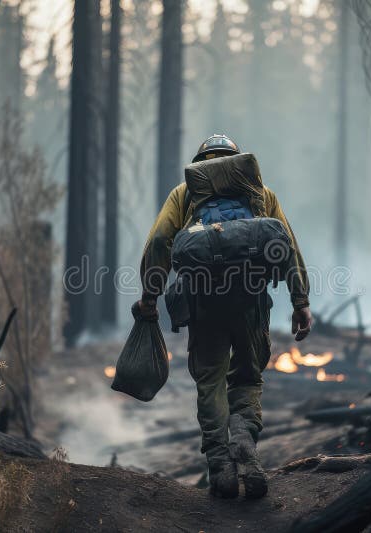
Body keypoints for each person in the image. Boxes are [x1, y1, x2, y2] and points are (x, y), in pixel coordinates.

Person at [137, 134, 312, 499]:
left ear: (200, 161)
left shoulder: (184, 194)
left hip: (204, 305)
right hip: (251, 303)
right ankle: (245, 438)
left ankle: (220, 467)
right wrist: (300, 301)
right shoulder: (259, 193)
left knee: (210, 382)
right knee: (247, 378)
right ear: (237, 159)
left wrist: (150, 295)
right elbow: (288, 246)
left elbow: (157, 243)